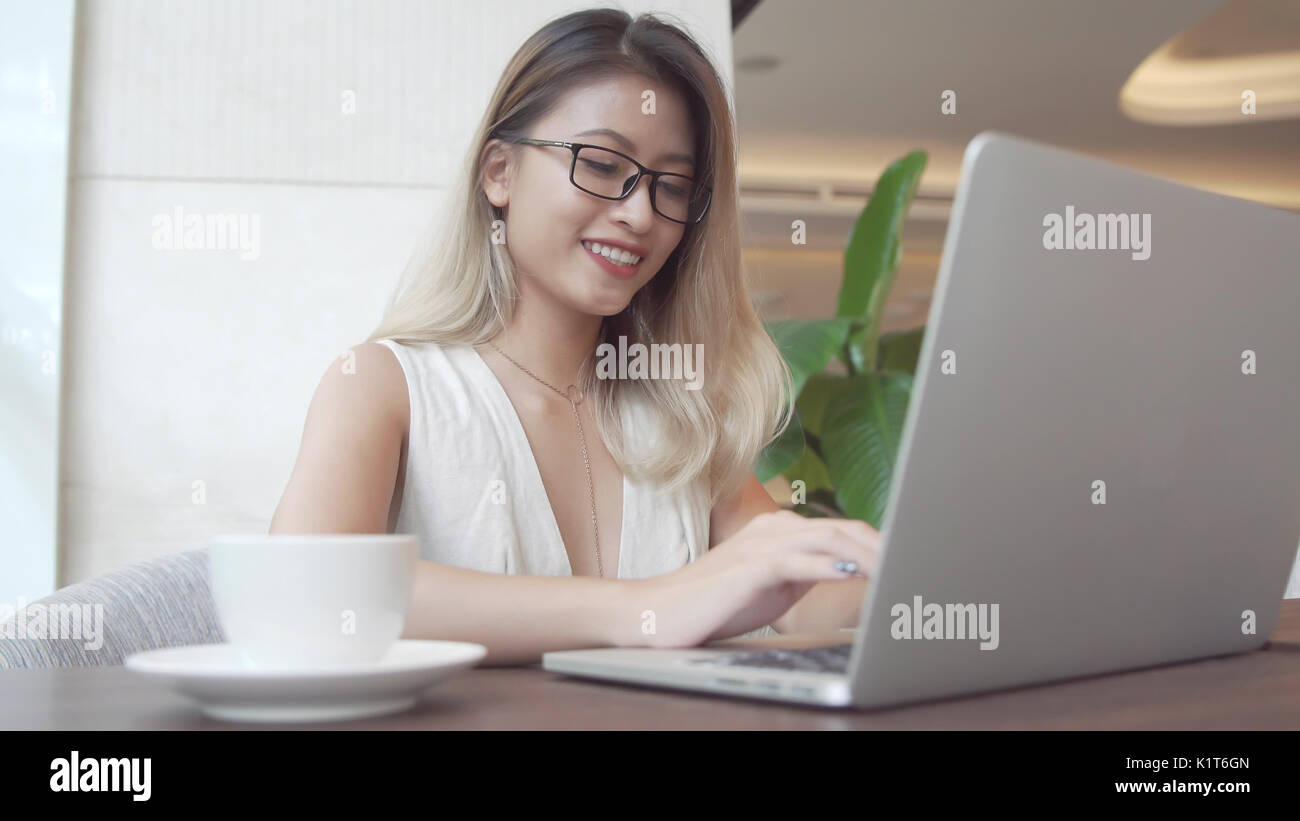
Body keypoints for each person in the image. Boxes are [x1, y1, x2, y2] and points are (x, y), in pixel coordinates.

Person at [269, 7, 879, 665]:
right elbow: (304, 592)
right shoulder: (384, 386)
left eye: (671, 186)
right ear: (498, 172)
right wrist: (648, 608)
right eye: (601, 162)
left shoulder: (679, 420)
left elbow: (814, 598)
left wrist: (885, 578)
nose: (640, 213)